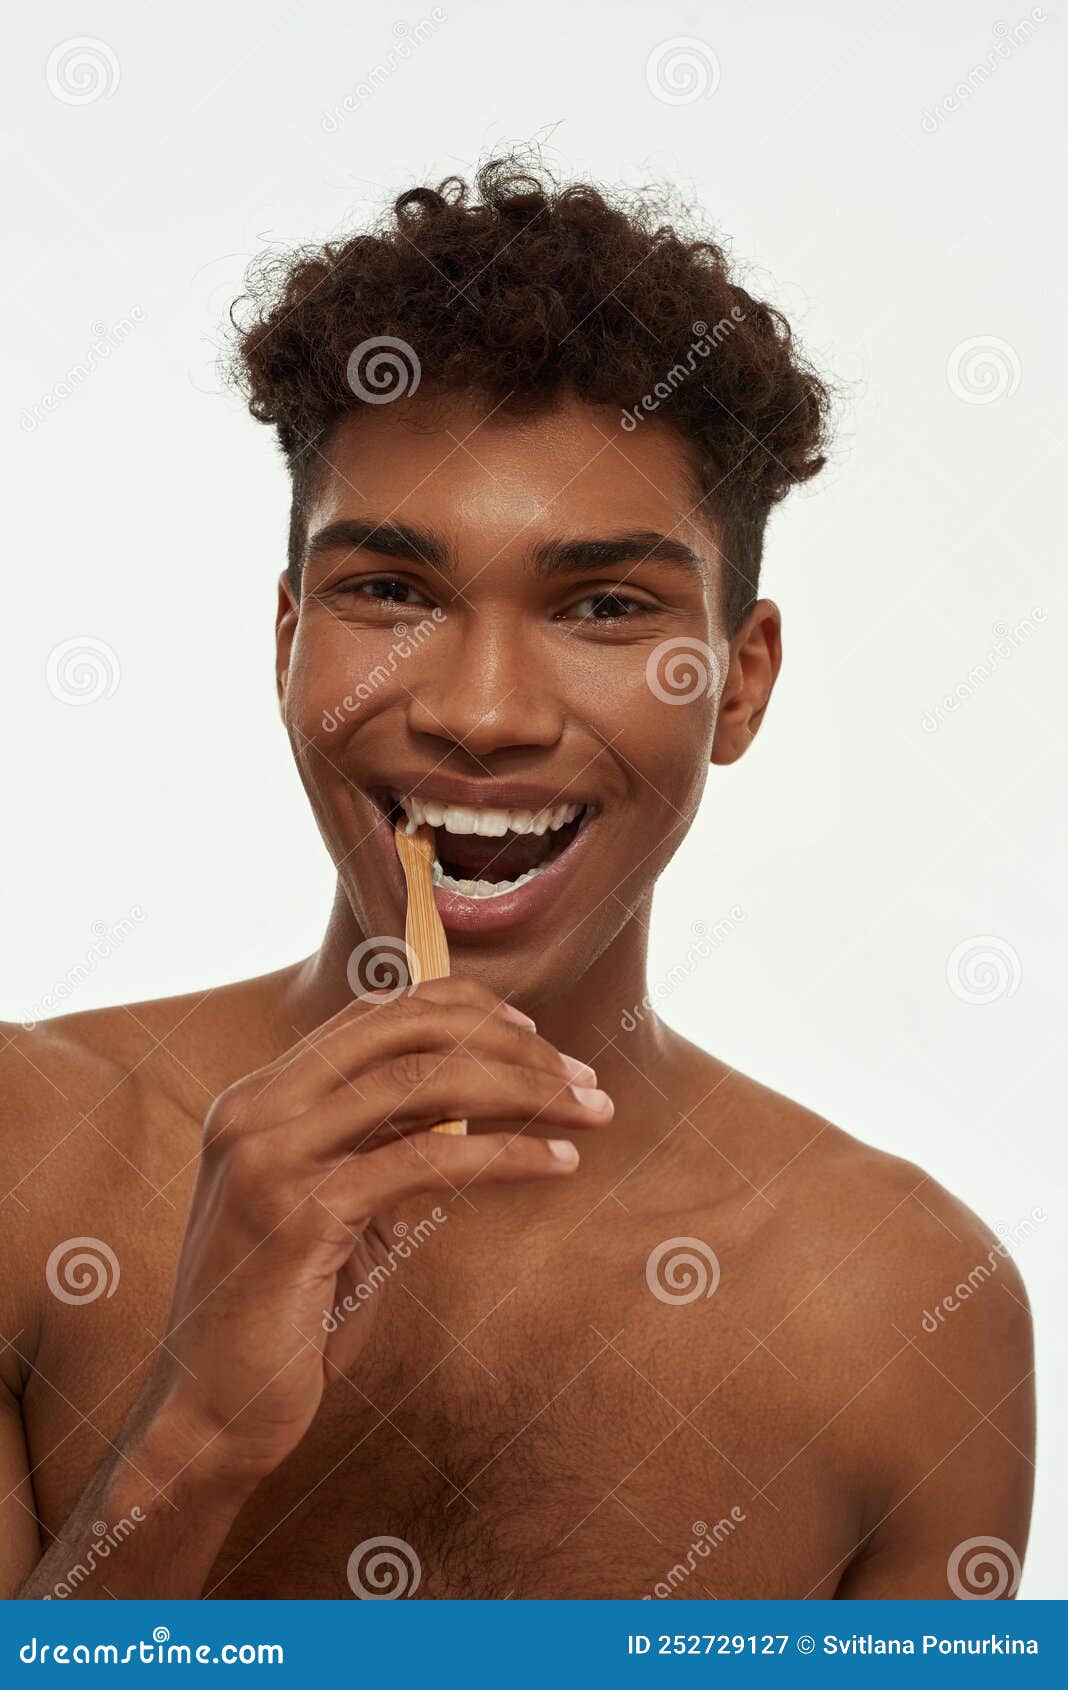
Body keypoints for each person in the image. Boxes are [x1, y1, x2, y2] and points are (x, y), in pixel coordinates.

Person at [1, 159, 1033, 1600]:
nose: (482, 712)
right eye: (393, 593)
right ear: (287, 637)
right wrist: (192, 1438)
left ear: (739, 683)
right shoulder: (22, 1160)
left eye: (605, 606)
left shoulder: (907, 1307)